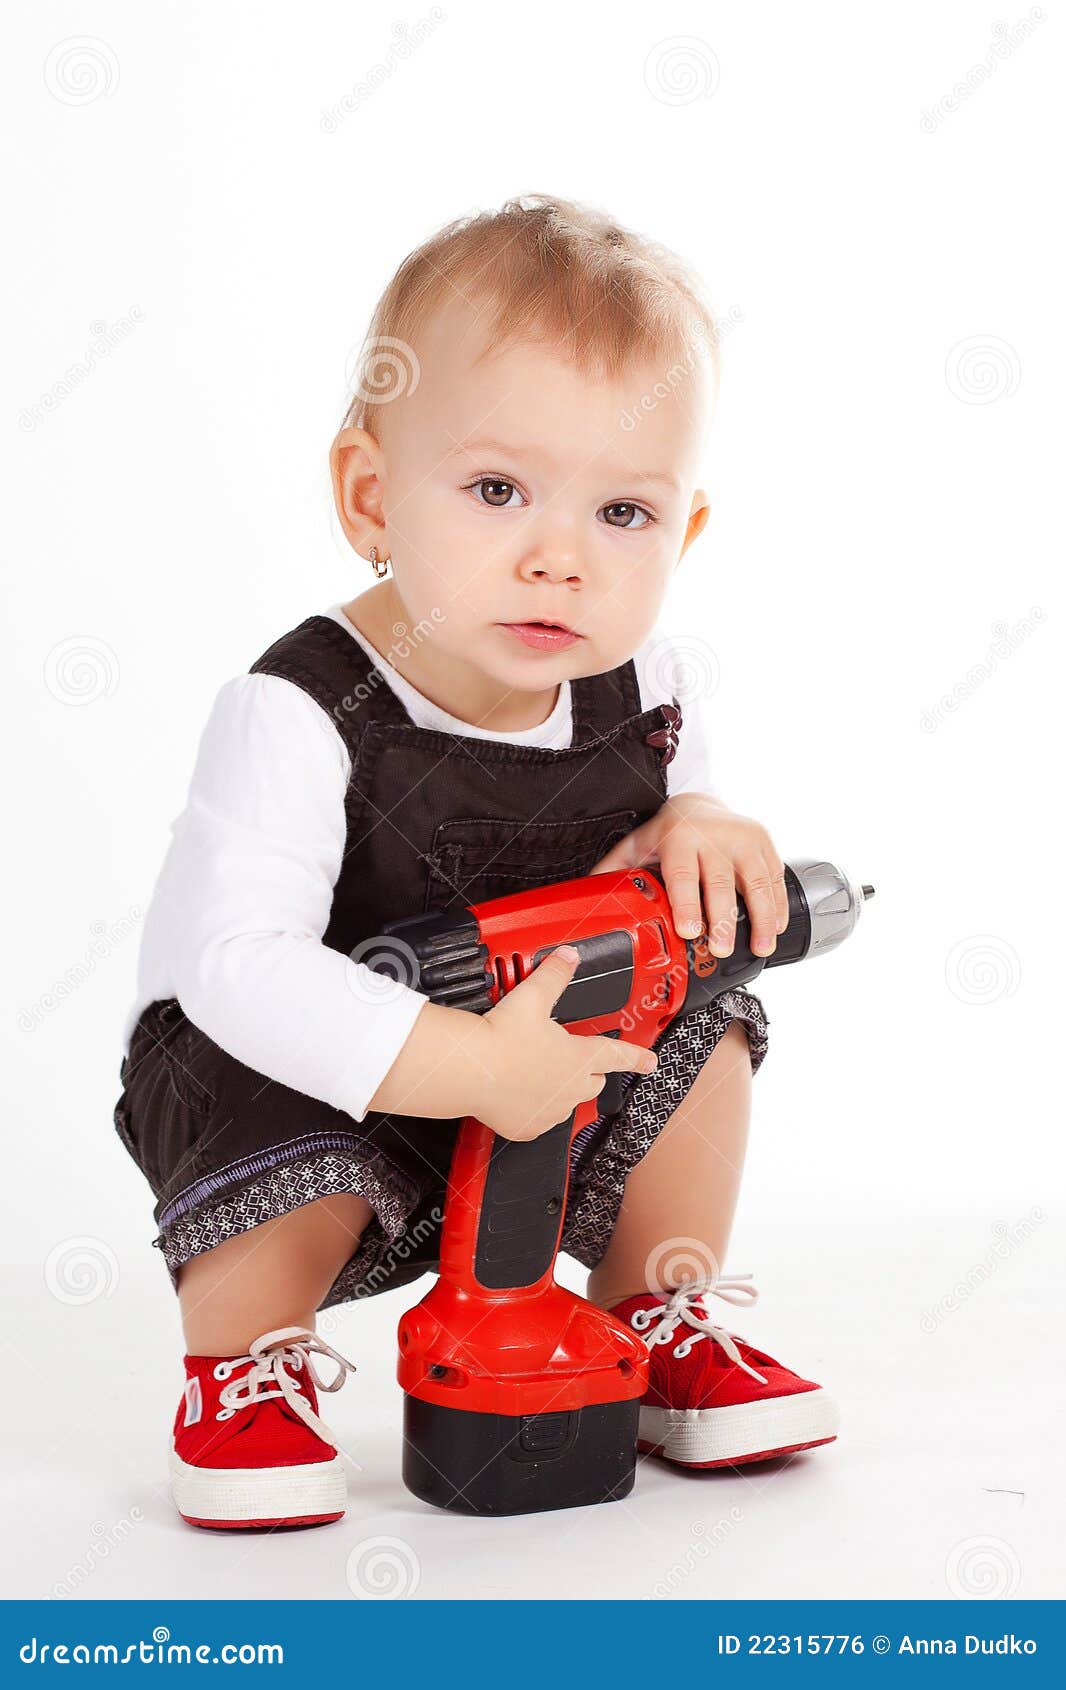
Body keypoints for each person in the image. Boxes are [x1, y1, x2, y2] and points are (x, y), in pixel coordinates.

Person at [113, 194, 839, 1532]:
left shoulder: (651, 691)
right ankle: (245, 1368)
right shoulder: (299, 709)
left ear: (681, 536)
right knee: (248, 1084)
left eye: (622, 511)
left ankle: (653, 1310)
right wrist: (464, 1067)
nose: (560, 558)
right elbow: (235, 965)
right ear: (371, 497)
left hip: (550, 1068)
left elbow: (668, 860)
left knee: (711, 1012)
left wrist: (699, 820)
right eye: (497, 491)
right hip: (317, 1070)